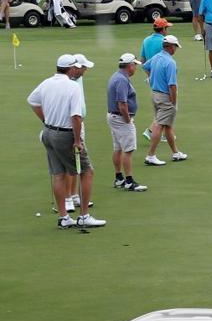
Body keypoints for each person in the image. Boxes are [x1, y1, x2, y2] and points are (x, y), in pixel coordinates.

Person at [30, 54, 106, 228]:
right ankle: (84, 216)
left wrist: (46, 120)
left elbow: (33, 102)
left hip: (48, 132)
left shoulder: (47, 83)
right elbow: (76, 116)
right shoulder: (73, 87)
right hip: (65, 134)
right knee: (87, 172)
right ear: (71, 68)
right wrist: (78, 140)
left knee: (58, 174)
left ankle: (64, 218)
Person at [106, 52, 147, 193]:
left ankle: (119, 178)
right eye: (134, 65)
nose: (135, 68)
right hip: (121, 118)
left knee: (118, 148)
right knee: (128, 150)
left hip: (114, 117)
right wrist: (128, 121)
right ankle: (129, 181)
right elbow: (122, 104)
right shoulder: (122, 80)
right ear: (130, 66)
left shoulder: (117, 76)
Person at [143, 35, 186, 167]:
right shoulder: (170, 63)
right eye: (175, 47)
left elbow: (145, 66)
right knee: (159, 125)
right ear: (170, 47)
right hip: (165, 97)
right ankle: (150, 155)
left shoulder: (156, 57)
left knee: (167, 125)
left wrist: (151, 78)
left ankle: (175, 153)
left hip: (155, 95)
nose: (176, 49)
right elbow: (172, 85)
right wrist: (173, 101)